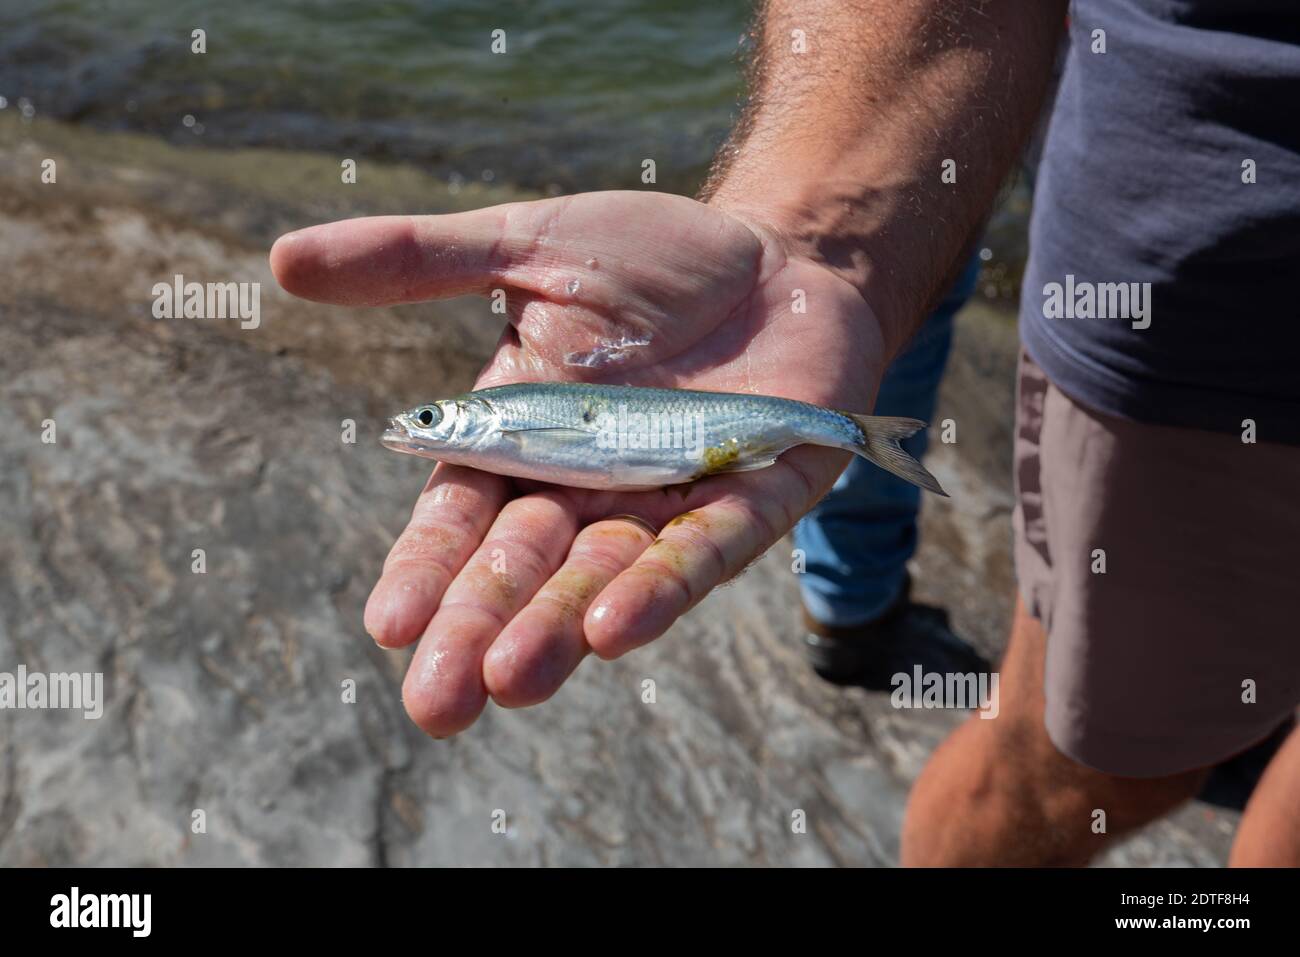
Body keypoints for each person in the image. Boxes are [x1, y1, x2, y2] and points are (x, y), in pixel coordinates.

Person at [270, 0, 1300, 865]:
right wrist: (805, 231)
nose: (432, 433)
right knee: (1108, 749)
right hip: (1219, 305)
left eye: (441, 423)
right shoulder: (508, 432)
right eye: (438, 427)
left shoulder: (513, 423)